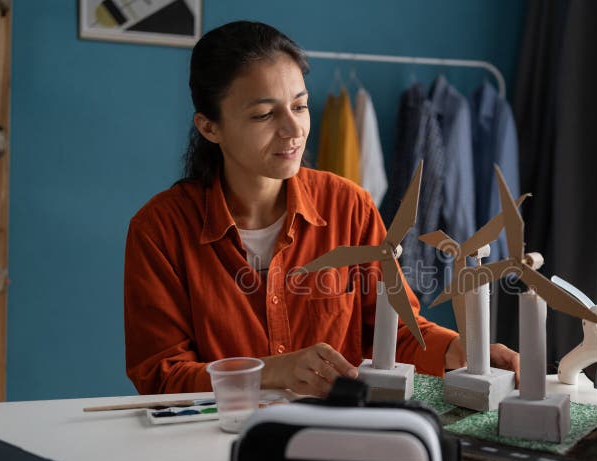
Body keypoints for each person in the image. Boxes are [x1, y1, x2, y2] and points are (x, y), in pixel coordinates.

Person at [124, 20, 519, 396]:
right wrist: (271, 371)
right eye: (264, 114)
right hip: (214, 438)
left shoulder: (349, 206)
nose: (293, 129)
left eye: (300, 106)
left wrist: (458, 351)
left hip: (334, 431)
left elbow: (395, 332)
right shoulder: (159, 229)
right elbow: (161, 374)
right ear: (210, 127)